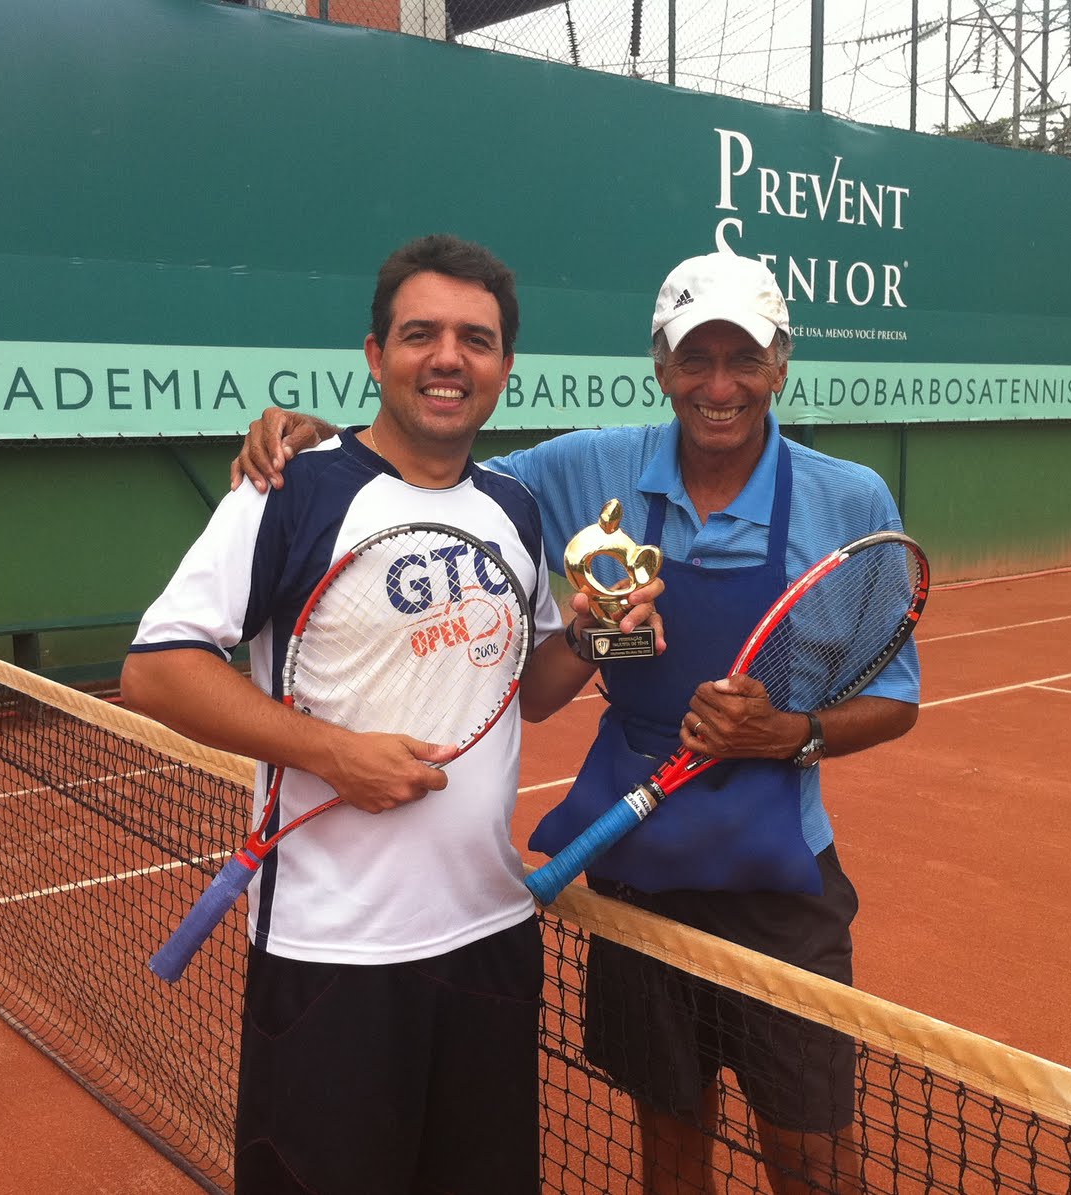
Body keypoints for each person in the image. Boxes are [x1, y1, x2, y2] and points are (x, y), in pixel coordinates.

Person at [230, 249, 921, 1195]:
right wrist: (327, 443)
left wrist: (788, 735)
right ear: (660, 364)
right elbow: (432, 468)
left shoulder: (852, 501)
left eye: (744, 360)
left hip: (781, 887)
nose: (719, 386)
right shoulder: (584, 465)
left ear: (781, 364)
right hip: (632, 875)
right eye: (695, 359)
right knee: (669, 1146)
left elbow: (895, 698)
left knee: (812, 1159)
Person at [122, 234, 639, 1195]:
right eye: (421, 334)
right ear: (374, 354)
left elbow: (523, 688)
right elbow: (157, 670)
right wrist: (337, 755)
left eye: (475, 340)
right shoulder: (289, 490)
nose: (449, 357)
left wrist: (598, 634)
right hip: (334, 959)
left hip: (491, 937)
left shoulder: (515, 509)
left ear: (504, 369)